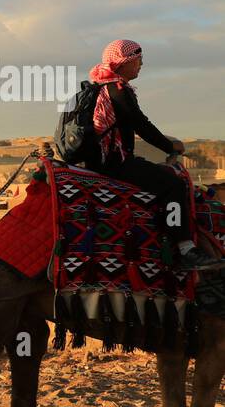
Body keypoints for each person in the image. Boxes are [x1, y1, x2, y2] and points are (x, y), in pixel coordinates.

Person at [78, 39, 221, 272]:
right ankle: (185, 248)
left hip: (100, 161)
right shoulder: (118, 90)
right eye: (137, 60)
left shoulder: (97, 87)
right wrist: (170, 147)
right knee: (173, 185)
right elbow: (141, 126)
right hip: (115, 164)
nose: (141, 64)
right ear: (122, 63)